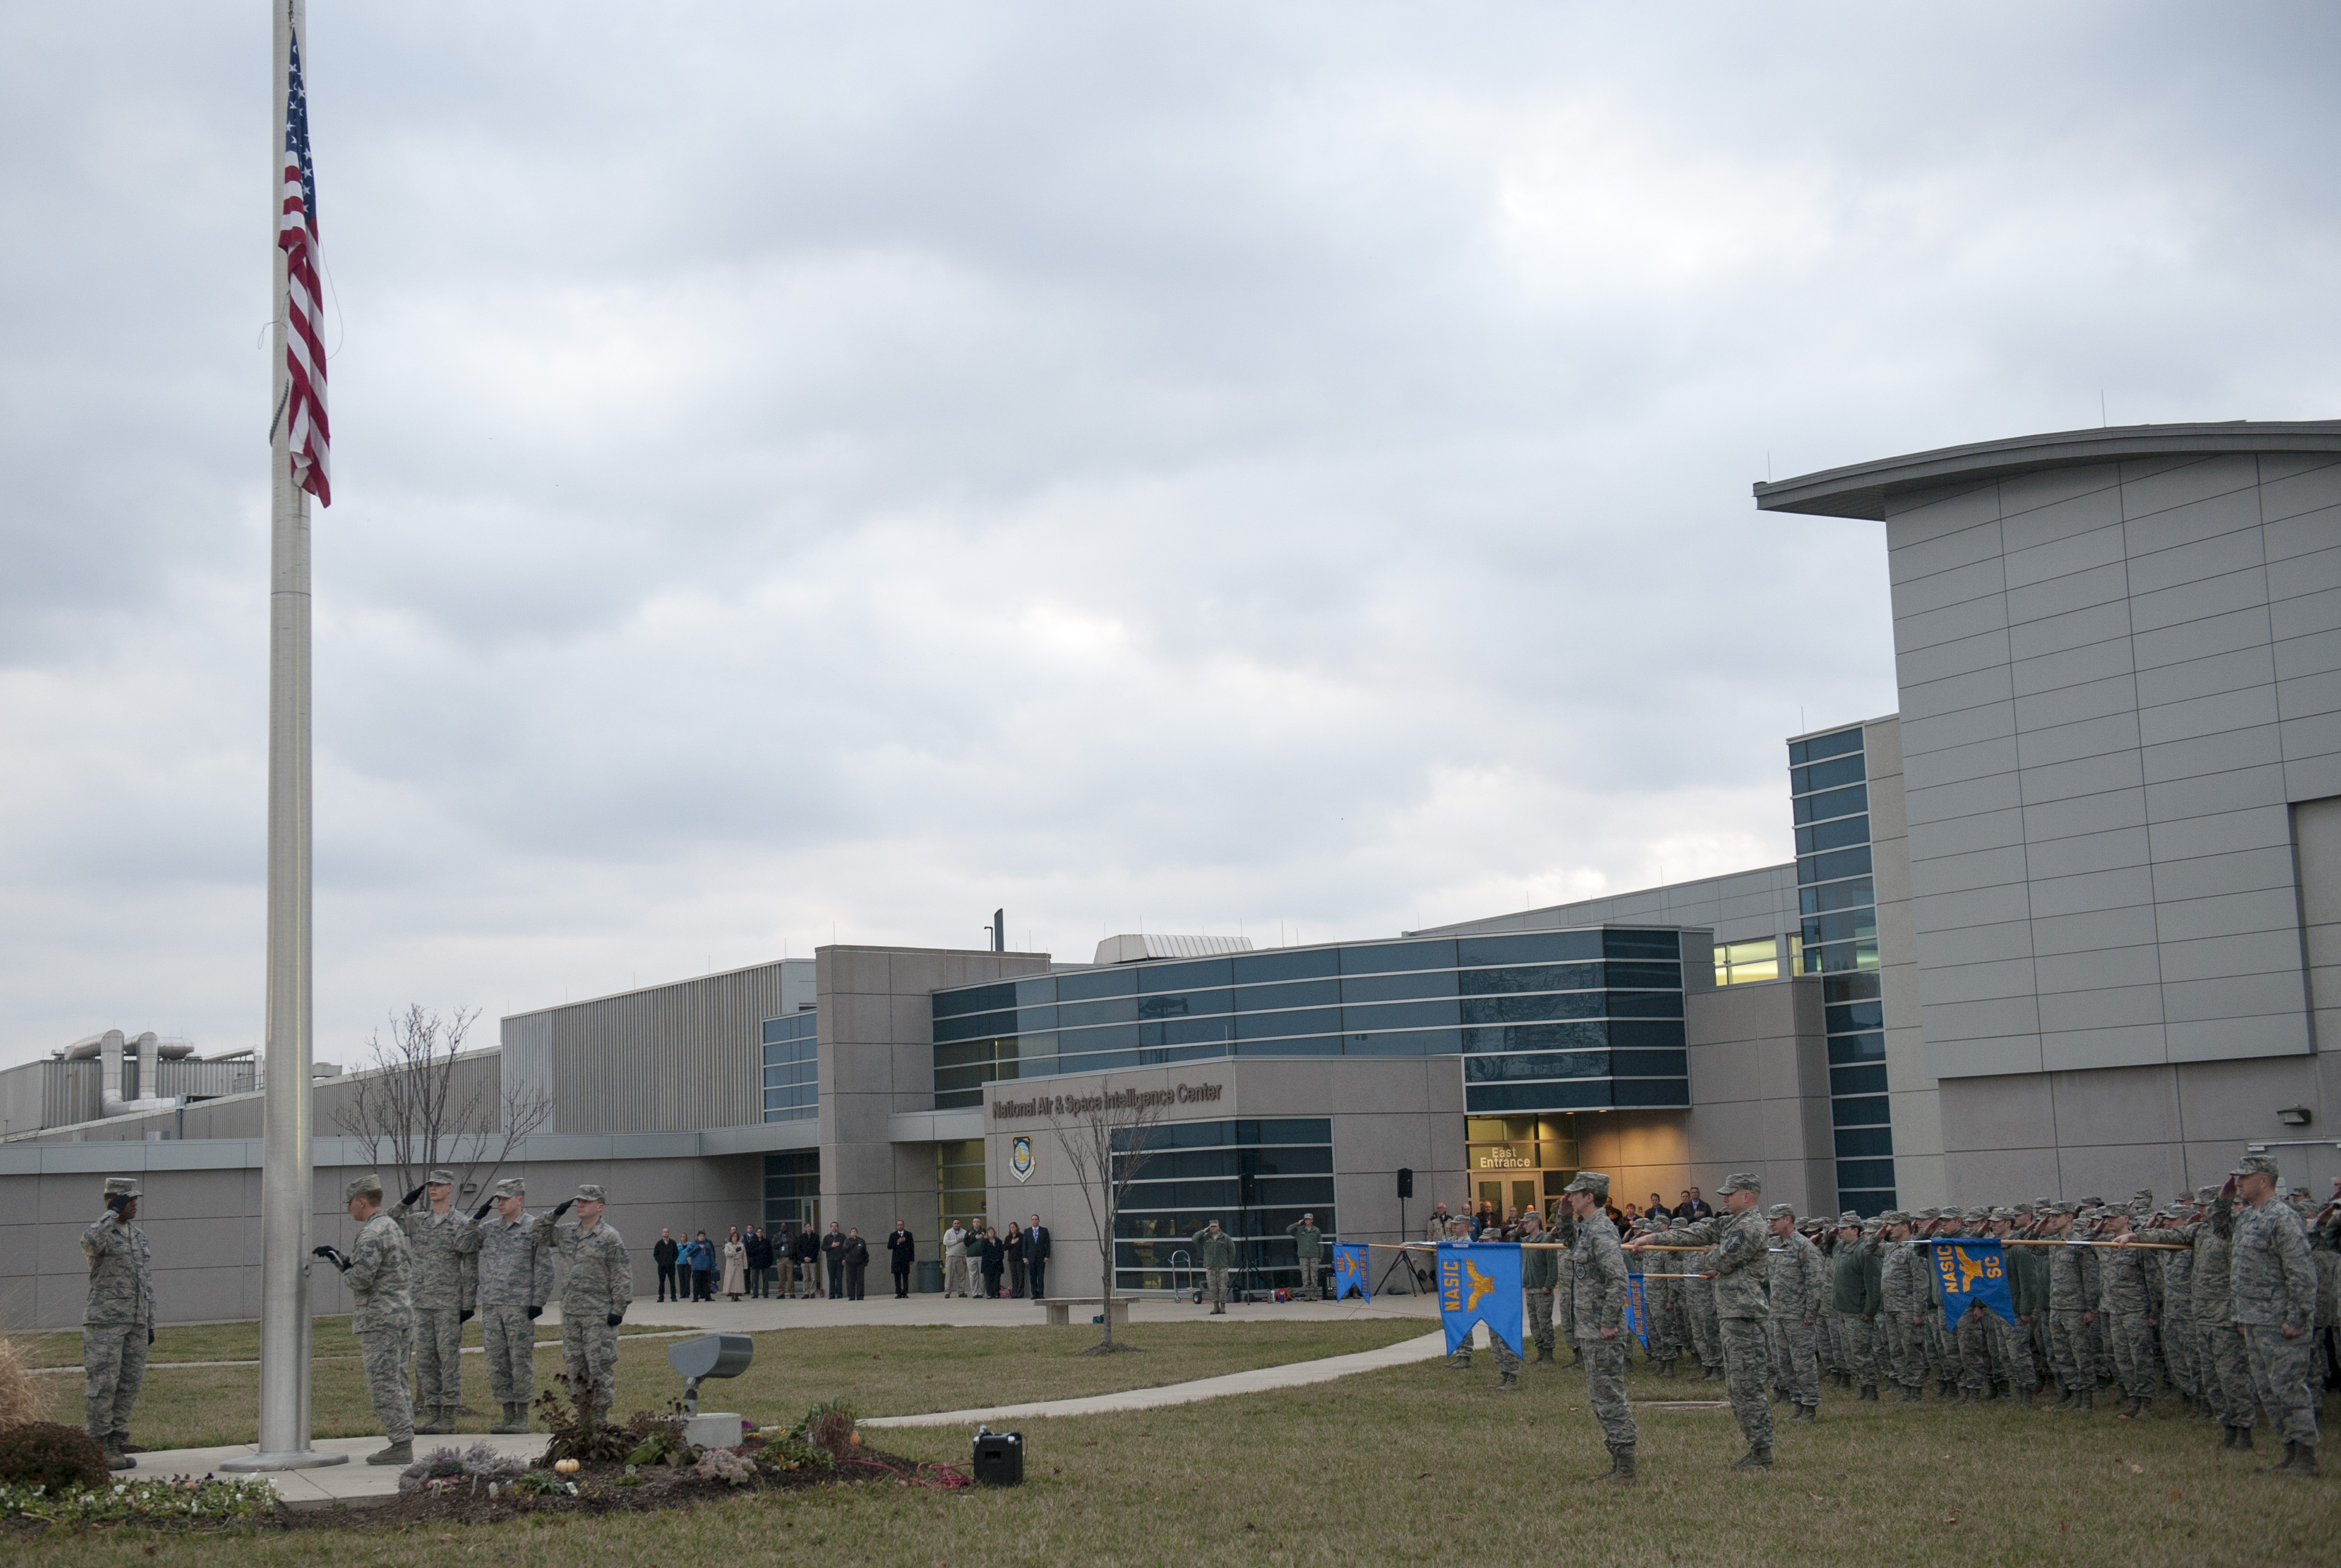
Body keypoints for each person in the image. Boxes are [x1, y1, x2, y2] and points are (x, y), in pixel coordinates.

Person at [1628, 1171, 1775, 1468]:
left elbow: (1721, 1258)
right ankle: (1757, 1448)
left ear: (1747, 1196)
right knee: (1737, 1386)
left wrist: (1711, 1254)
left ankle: (1762, 1451)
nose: (1724, 1198)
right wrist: (1654, 1238)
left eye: (1730, 1194)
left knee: (1746, 1385)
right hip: (1733, 1312)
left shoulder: (1750, 1227)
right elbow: (1696, 1234)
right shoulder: (1732, 1222)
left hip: (1744, 1313)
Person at [2226, 1154, 2321, 1475]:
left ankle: (2306, 1457)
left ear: (2264, 1180)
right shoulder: (2249, 1217)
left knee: (2289, 1388)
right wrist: (2242, 1316)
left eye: (2244, 1177)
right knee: (2268, 1390)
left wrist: (2297, 1318)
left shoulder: (2282, 1217)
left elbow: (2302, 1273)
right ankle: (2290, 1453)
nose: (2238, 1183)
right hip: (2255, 1320)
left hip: (2280, 1322)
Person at [313, 1175, 415, 1465]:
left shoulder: (371, 1233)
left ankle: (400, 1443)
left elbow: (360, 1279)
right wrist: (343, 1259)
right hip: (400, 1315)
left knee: (383, 1384)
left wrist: (341, 1265)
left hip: (380, 1319)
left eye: (350, 1203)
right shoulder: (391, 1227)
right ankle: (404, 1437)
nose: (349, 1209)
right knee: (398, 1379)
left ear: (361, 1200)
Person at [531, 1184, 631, 1416]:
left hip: (598, 1313)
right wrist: (555, 1214)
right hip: (571, 1313)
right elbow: (537, 1233)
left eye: (586, 1201)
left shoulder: (609, 1236)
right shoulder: (566, 1232)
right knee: (574, 1367)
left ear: (600, 1206)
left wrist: (619, 1307)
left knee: (599, 1366)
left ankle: (599, 1419)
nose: (580, 1205)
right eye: (579, 1201)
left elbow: (622, 1273)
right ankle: (582, 1417)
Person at [391, 1169, 478, 1435]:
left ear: (451, 1188)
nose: (433, 1190)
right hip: (421, 1301)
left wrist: (468, 1303)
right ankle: (434, 1413)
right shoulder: (418, 1222)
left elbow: (471, 1266)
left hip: (448, 1302)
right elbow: (388, 1221)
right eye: (430, 1185)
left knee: (448, 1359)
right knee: (426, 1360)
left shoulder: (462, 1224)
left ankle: (449, 1415)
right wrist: (406, 1201)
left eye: (439, 1185)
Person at [1562, 1171, 1635, 1482]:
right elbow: (1568, 1242)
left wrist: (1607, 1324)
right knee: (1600, 1398)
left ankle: (1626, 1466)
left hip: (1602, 1331)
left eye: (1575, 1194)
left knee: (1609, 1397)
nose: (1570, 1198)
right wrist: (1564, 1216)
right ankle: (1620, 1462)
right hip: (1590, 1329)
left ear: (1590, 1196)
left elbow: (1618, 1280)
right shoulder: (1586, 1228)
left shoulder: (1602, 1230)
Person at [469, 1175, 551, 1434]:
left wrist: (538, 1301)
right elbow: (462, 1243)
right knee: (497, 1361)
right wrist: (476, 1218)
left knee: (520, 1361)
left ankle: (522, 1417)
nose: (500, 1203)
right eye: (498, 1199)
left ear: (520, 1199)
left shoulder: (534, 1228)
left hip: (519, 1306)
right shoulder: (489, 1228)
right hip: (492, 1305)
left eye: (505, 1199)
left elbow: (545, 1268)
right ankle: (507, 1415)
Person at [80, 1176, 153, 1468]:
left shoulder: (139, 1236)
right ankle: (98, 1444)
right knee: (103, 1384)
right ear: (114, 1201)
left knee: (129, 1384)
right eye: (129, 1200)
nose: (135, 1204)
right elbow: (89, 1241)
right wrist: (111, 1213)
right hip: (105, 1322)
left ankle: (117, 1440)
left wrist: (150, 1321)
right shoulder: (102, 1234)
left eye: (136, 1199)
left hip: (136, 1319)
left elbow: (145, 1281)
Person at [1764, 1203, 1826, 1422]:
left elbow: (1816, 1282)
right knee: (1784, 1363)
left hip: (1799, 1315)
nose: (1771, 1223)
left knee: (1803, 1362)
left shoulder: (1803, 1246)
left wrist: (1811, 1311)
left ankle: (1810, 1406)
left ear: (1788, 1220)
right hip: (1778, 1313)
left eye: (1775, 1219)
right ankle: (1797, 1402)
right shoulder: (1773, 1245)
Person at [1517, 1206, 1559, 1364]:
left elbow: (1552, 1265)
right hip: (1530, 1288)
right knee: (1534, 1322)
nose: (1525, 1226)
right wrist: (1518, 1231)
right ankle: (1540, 1351)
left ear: (1536, 1223)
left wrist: (1549, 1285)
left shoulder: (1545, 1240)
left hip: (1542, 1289)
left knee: (1544, 1322)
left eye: (1527, 1223)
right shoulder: (1526, 1241)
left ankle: (1549, 1353)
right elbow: (1512, 1241)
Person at [1194, 1219, 1237, 1314]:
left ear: (1218, 1227)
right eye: (1211, 1227)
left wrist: (1228, 1264)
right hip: (1211, 1268)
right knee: (1213, 1288)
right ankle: (1215, 1307)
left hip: (1222, 1268)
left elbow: (1232, 1251)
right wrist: (1203, 1231)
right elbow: (1194, 1239)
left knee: (1222, 1288)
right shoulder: (1206, 1237)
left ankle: (1223, 1306)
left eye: (1215, 1226)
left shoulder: (1225, 1238)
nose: (1213, 1228)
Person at [1287, 1212, 1326, 1299]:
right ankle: (1308, 1295)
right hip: (1303, 1256)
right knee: (1305, 1275)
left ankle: (1314, 1294)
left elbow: (1320, 1244)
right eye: (1306, 1219)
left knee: (1314, 1275)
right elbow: (1288, 1230)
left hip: (1314, 1256)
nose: (1308, 1221)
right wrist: (1298, 1223)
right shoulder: (1299, 1230)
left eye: (1309, 1219)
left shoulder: (1316, 1230)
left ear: (1312, 1220)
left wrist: (1320, 1257)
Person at [888, 1220, 916, 1299]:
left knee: (905, 1276)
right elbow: (889, 1246)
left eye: (901, 1225)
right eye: (898, 1225)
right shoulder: (893, 1235)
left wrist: (911, 1259)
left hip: (905, 1258)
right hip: (896, 1259)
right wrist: (897, 1242)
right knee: (897, 1276)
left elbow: (912, 1247)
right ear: (897, 1226)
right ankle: (899, 1293)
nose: (900, 1226)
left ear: (904, 1226)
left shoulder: (908, 1235)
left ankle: (905, 1292)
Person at [943, 1219, 971, 1298]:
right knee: (949, 1275)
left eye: (958, 1223)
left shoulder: (964, 1232)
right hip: (950, 1257)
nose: (957, 1225)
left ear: (960, 1224)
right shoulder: (948, 1232)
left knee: (962, 1276)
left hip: (961, 1256)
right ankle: (948, 1292)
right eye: (955, 1224)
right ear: (953, 1224)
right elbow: (945, 1242)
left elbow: (967, 1246)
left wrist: (966, 1257)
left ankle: (961, 1291)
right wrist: (956, 1241)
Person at [1025, 1215, 1051, 1299]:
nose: (1034, 1221)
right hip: (1031, 1257)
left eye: (1036, 1219)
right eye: (1033, 1220)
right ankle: (1034, 1293)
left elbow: (1047, 1244)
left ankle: (1041, 1293)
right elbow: (1024, 1245)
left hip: (1041, 1257)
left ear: (1039, 1221)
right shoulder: (1027, 1231)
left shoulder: (1044, 1231)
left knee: (1041, 1276)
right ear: (1031, 1221)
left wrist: (1047, 1256)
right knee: (1032, 1276)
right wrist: (1025, 1257)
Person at [792, 1225, 822, 1297]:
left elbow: (817, 1248)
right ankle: (806, 1292)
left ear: (811, 1227)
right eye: (806, 1227)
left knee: (813, 1277)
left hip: (812, 1260)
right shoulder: (802, 1237)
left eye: (809, 1227)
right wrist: (804, 1257)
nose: (808, 1228)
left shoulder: (816, 1236)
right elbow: (799, 1249)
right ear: (805, 1228)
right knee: (805, 1277)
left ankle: (812, 1292)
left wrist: (811, 1257)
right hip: (804, 1260)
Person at [822, 1221, 849, 1299]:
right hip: (831, 1260)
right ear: (831, 1228)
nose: (834, 1227)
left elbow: (846, 1249)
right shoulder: (827, 1237)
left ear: (838, 1228)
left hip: (840, 1260)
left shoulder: (842, 1237)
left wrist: (844, 1259)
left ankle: (839, 1294)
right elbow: (823, 1248)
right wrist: (832, 1246)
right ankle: (832, 1294)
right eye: (833, 1226)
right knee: (832, 1278)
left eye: (836, 1226)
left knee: (839, 1277)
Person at [654, 1228, 681, 1302]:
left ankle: (673, 1297)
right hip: (662, 1267)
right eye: (664, 1232)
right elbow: (656, 1254)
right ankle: (661, 1297)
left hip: (671, 1266)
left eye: (667, 1232)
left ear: (669, 1233)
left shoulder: (673, 1243)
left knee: (672, 1282)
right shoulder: (659, 1244)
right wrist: (660, 1262)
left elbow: (676, 1253)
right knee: (662, 1282)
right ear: (662, 1234)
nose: (666, 1233)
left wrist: (672, 1261)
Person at [721, 1228, 747, 1301]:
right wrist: (734, 1251)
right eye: (733, 1236)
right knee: (731, 1280)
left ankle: (737, 1296)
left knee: (738, 1280)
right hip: (731, 1264)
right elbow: (726, 1254)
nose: (735, 1238)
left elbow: (744, 1256)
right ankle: (732, 1295)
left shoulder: (741, 1245)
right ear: (731, 1237)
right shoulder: (728, 1245)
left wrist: (745, 1266)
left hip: (739, 1264)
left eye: (736, 1236)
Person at [844, 1227, 870, 1300]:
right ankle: (851, 1296)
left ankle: (860, 1296)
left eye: (855, 1231)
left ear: (857, 1233)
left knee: (860, 1280)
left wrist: (866, 1261)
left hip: (860, 1263)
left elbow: (865, 1252)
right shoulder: (847, 1241)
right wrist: (851, 1245)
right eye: (852, 1231)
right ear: (850, 1233)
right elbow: (844, 1249)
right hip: (850, 1263)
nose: (853, 1232)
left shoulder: (861, 1241)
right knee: (851, 1280)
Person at [979, 1227, 1005, 1299]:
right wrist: (990, 1259)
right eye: (989, 1232)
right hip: (987, 1263)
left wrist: (997, 1259)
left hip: (997, 1263)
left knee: (997, 1279)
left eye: (992, 1231)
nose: (991, 1233)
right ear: (987, 1233)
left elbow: (1001, 1252)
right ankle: (989, 1294)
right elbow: (983, 1252)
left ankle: (996, 1293)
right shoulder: (984, 1241)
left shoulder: (998, 1241)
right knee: (988, 1279)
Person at [1004, 1222, 1027, 1298]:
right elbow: (1004, 1248)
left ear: (1017, 1227)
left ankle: (1020, 1293)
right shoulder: (1008, 1238)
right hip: (1011, 1260)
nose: (1012, 1229)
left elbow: (1024, 1247)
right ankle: (1014, 1293)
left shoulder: (1022, 1236)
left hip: (1020, 1259)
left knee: (1021, 1276)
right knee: (1014, 1277)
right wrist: (1011, 1243)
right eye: (1011, 1228)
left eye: (1014, 1227)